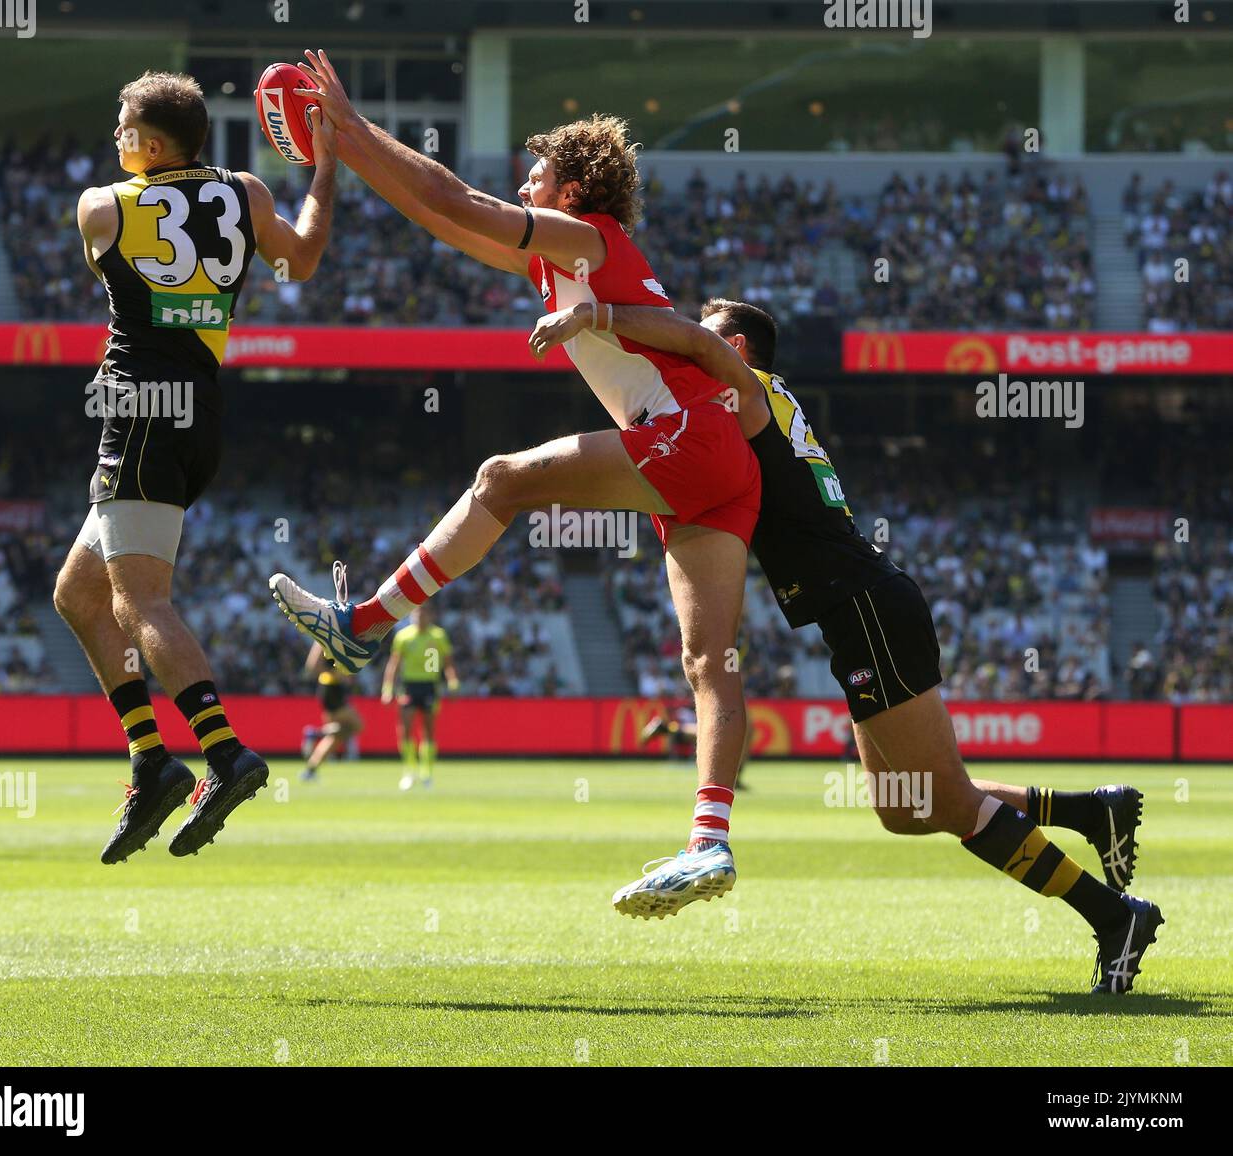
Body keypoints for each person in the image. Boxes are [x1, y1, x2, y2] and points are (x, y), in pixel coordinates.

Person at [530, 298, 1161, 994]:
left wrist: (598, 316)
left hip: (864, 607)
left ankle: (1112, 917)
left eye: (705, 341)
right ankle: (1087, 811)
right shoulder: (754, 403)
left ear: (736, 346)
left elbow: (680, 355)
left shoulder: (743, 389)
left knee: (944, 798)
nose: (690, 353)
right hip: (855, 610)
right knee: (902, 805)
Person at [268, 50, 757, 919]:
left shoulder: (587, 237)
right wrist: (346, 151)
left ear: (572, 190)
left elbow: (462, 203)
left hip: (681, 436)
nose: (522, 183)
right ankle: (709, 841)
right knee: (708, 662)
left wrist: (349, 125)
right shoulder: (559, 258)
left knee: (501, 480)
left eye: (536, 174)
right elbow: (439, 214)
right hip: (719, 464)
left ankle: (363, 626)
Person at [51, 70, 336, 863]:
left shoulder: (102, 206)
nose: (114, 137)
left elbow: (111, 263)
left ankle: (223, 754)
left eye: (122, 125)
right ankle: (151, 760)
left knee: (140, 598)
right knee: (79, 593)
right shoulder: (247, 192)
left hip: (138, 409)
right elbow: (304, 258)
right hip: (197, 412)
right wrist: (326, 163)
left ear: (146, 141)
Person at [380, 604, 458, 790]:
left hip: (430, 686)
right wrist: (388, 688)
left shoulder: (438, 636)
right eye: (417, 613)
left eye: (423, 613)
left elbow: (448, 663)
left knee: (428, 730)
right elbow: (394, 664)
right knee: (405, 728)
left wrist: (453, 681)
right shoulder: (403, 636)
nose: (420, 617)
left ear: (430, 615)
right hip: (409, 686)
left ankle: (427, 772)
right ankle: (409, 770)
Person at [300, 641, 363, 782]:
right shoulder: (322, 637)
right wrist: (335, 673)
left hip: (335, 688)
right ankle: (314, 733)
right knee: (358, 725)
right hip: (330, 688)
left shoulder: (340, 637)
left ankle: (310, 770)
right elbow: (312, 666)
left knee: (338, 735)